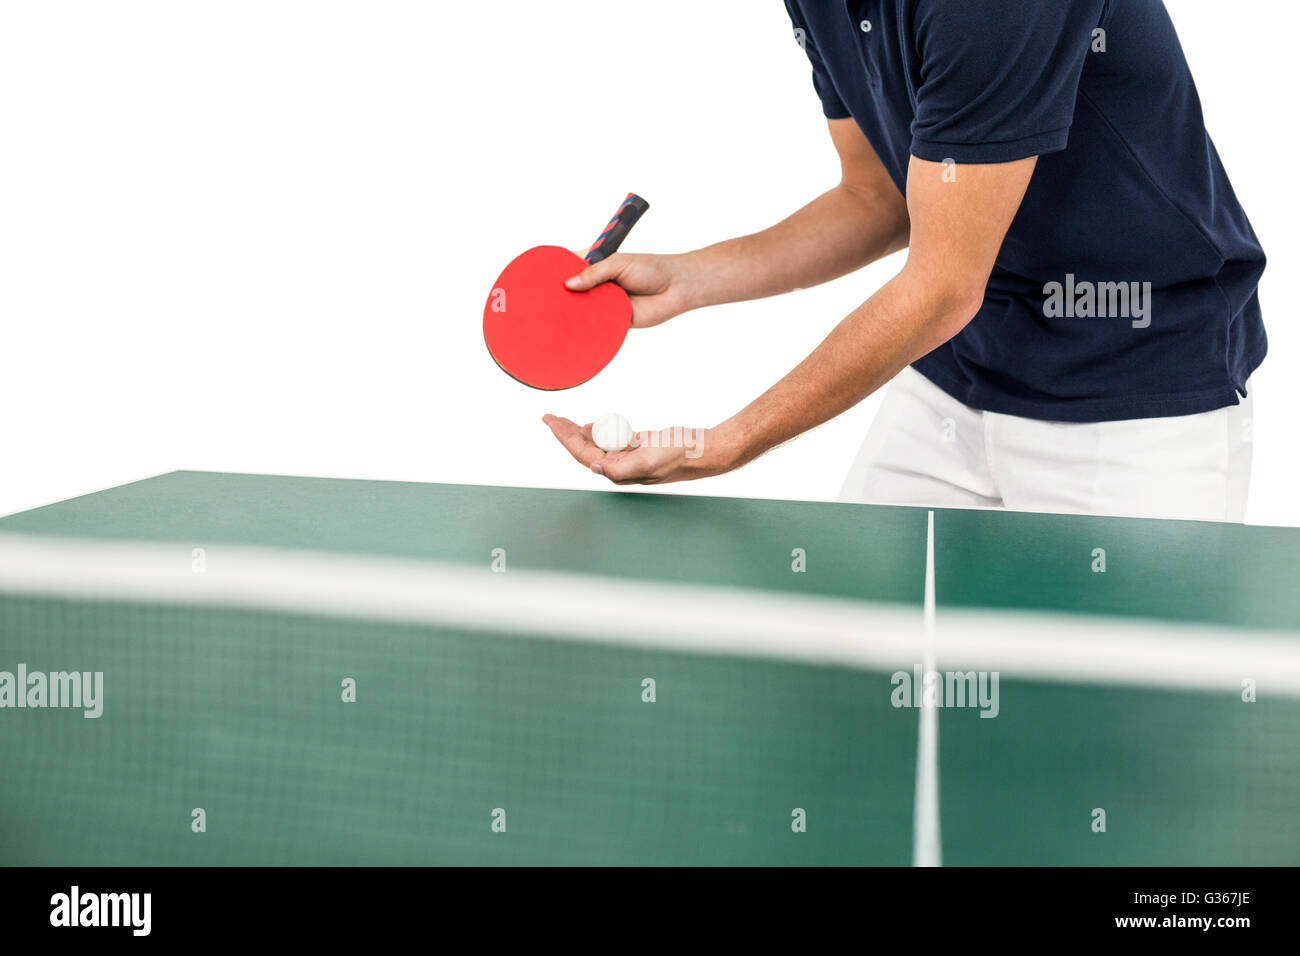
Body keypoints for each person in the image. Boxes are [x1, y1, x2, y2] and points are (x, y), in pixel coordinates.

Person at [543, 0, 1265, 522]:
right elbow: (878, 197)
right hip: (958, 375)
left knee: (1111, 726)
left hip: (1138, 396)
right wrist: (688, 280)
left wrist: (727, 443)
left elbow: (944, 287)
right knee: (862, 675)